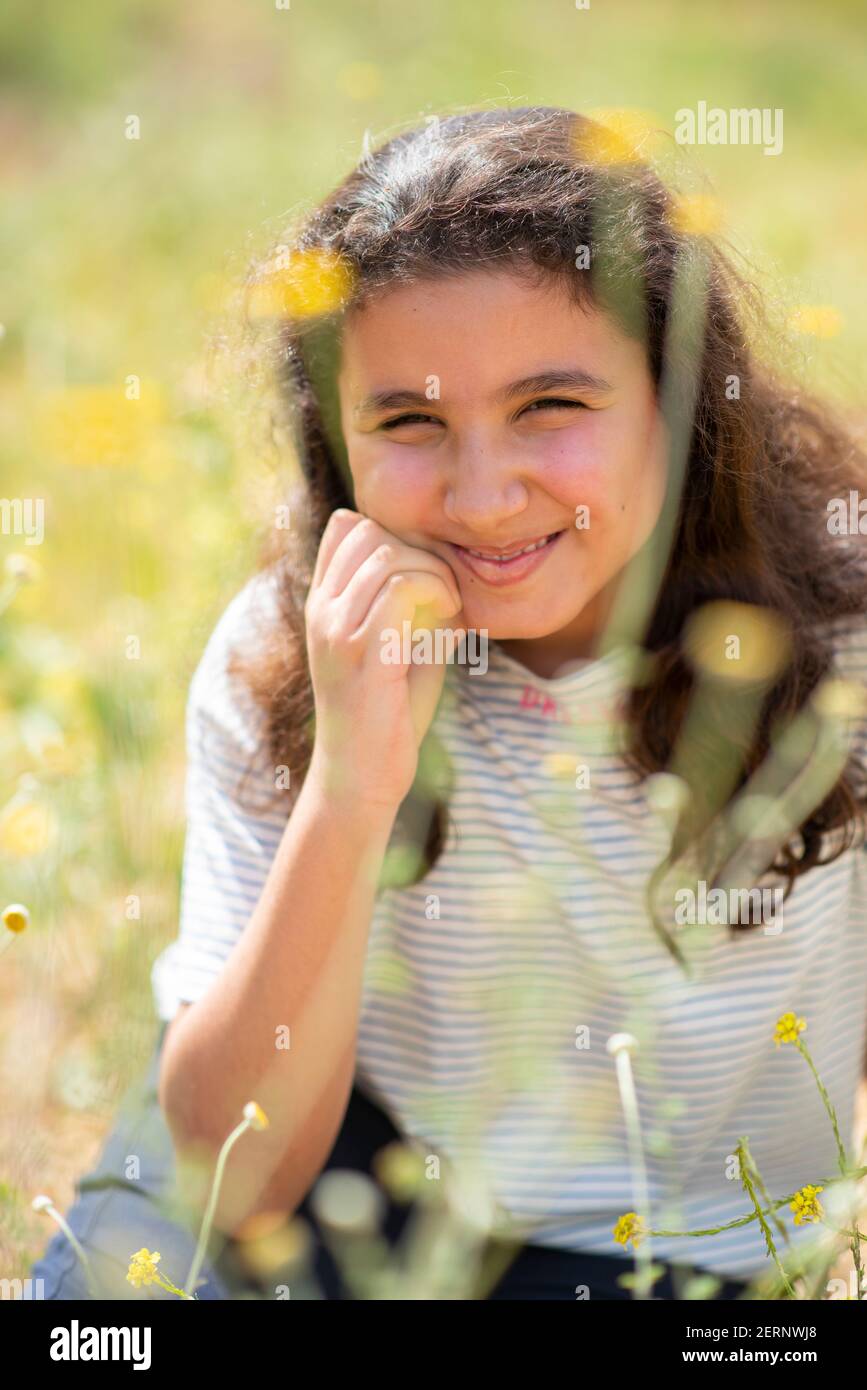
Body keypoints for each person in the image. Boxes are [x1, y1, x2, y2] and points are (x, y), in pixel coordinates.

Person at [32, 105, 867, 1301]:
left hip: (654, 1265)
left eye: (551, 408)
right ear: (337, 439)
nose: (480, 497)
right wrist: (354, 783)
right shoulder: (287, 648)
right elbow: (232, 1187)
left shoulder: (842, 635)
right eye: (411, 423)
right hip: (345, 1182)